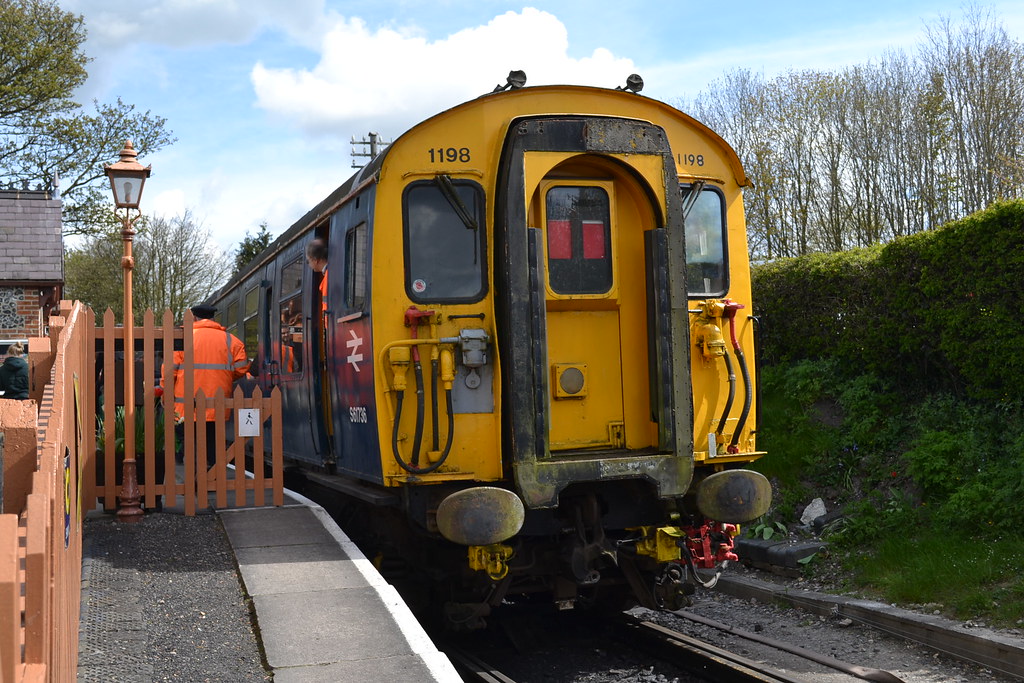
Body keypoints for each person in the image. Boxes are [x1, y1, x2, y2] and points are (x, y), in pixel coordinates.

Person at [172, 304, 249, 466]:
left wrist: (166, 391)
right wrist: (225, 376)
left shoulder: (182, 340)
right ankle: (213, 474)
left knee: (188, 442)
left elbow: (170, 370)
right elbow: (241, 369)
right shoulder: (231, 340)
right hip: (217, 402)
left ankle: (191, 474)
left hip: (187, 404)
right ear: (213, 318)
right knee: (213, 441)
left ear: (194, 317)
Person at [305, 237, 328, 318]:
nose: (308, 265)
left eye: (308, 261)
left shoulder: (329, 278)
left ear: (315, 260)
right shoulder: (330, 274)